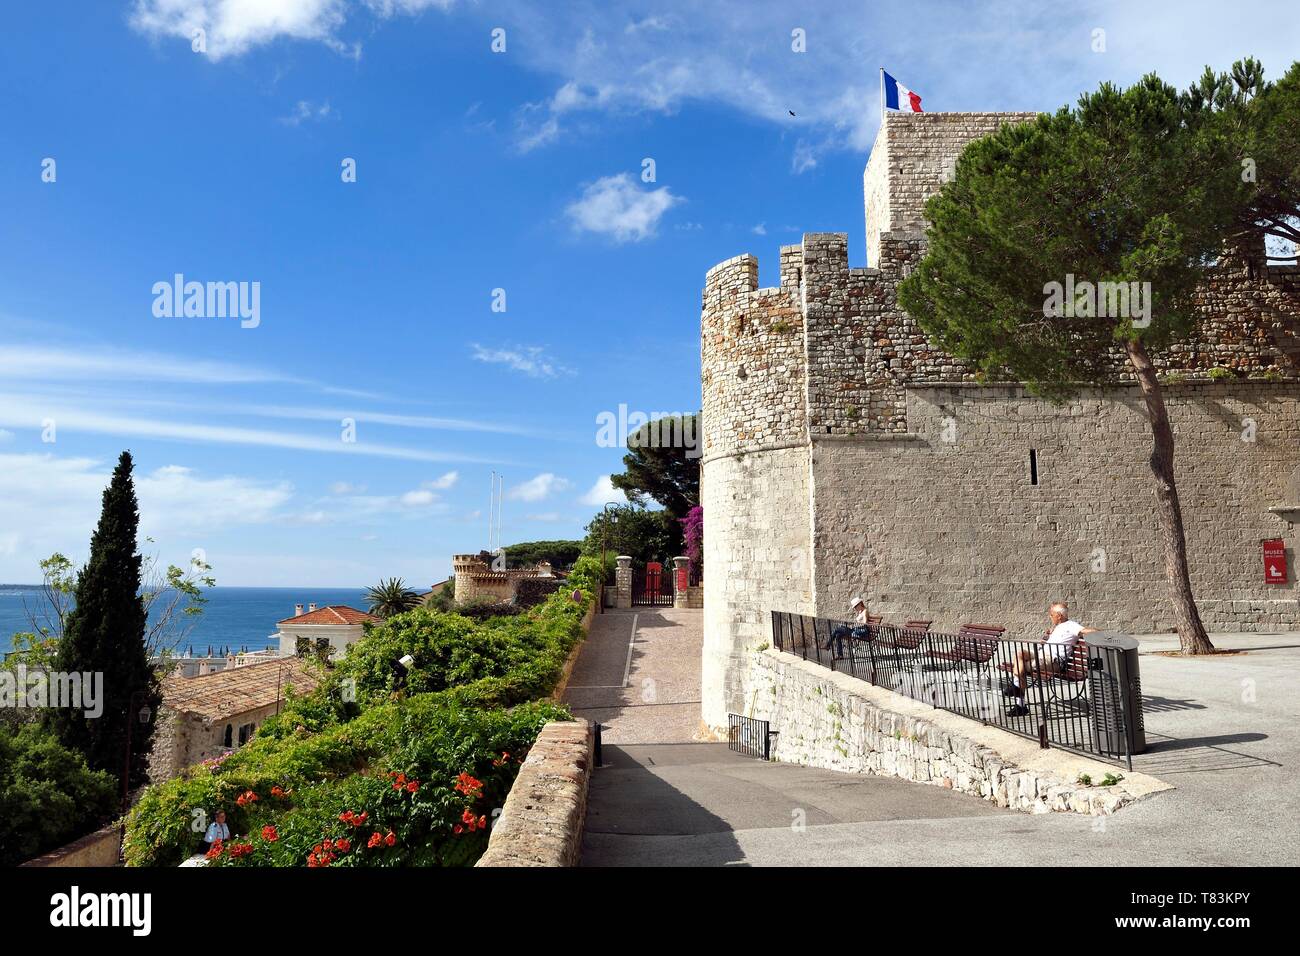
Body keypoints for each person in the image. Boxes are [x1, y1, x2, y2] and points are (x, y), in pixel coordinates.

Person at [1003, 602, 1097, 716]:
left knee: (1021, 667)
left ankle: (1020, 702)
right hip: (1042, 655)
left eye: (1051, 614)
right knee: (1020, 654)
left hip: (1053, 660)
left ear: (1059, 616)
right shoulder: (1058, 626)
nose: (1050, 617)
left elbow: (1085, 631)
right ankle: (1016, 688)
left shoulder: (1071, 625)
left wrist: (1103, 634)